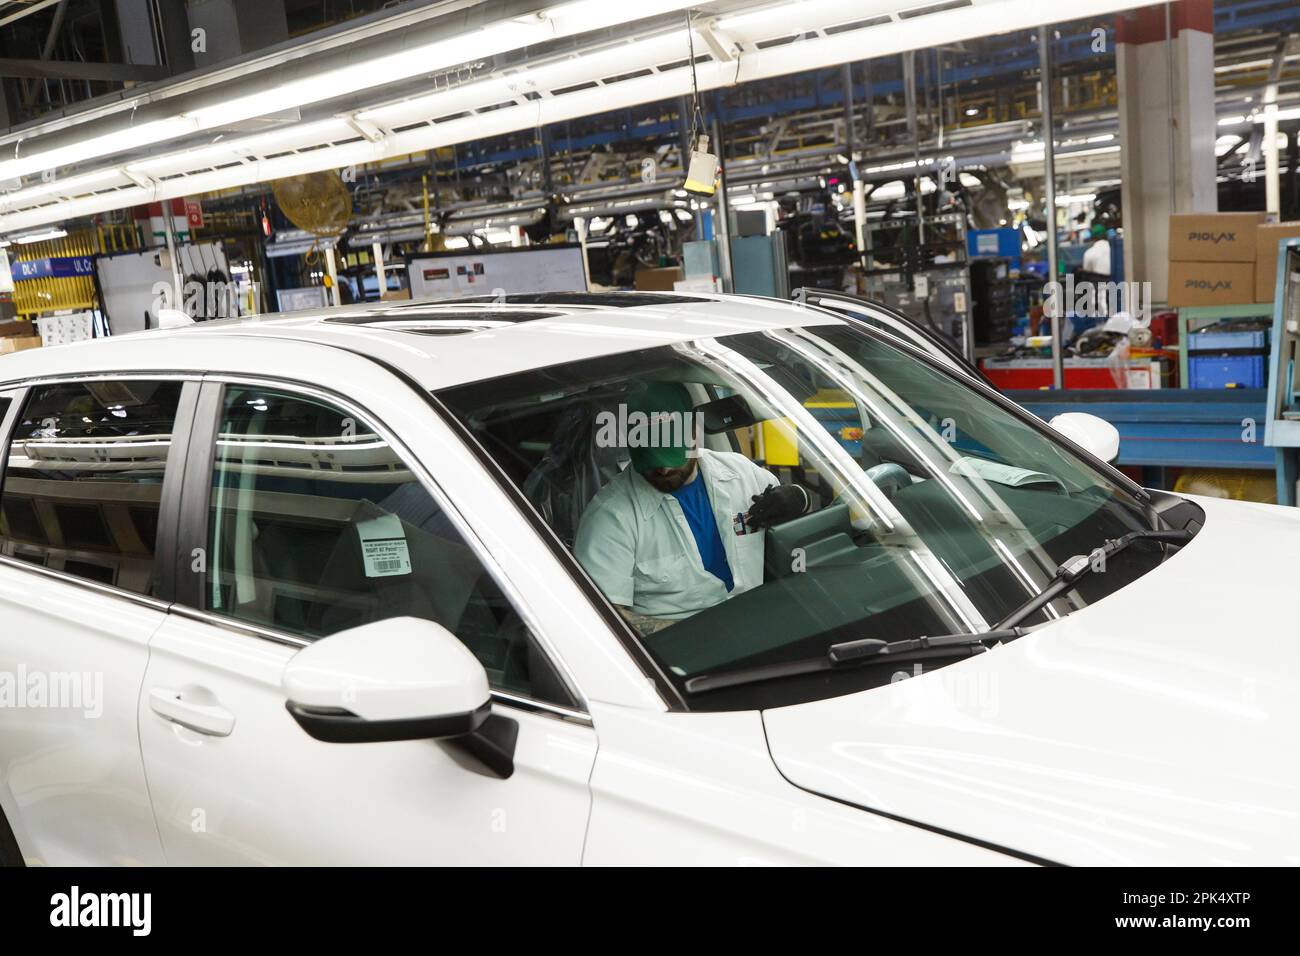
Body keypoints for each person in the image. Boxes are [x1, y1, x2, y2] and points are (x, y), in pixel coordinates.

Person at [574, 381, 810, 634]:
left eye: (670, 457)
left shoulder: (741, 473)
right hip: (676, 657)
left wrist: (799, 498)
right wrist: (697, 637)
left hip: (761, 628)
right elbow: (600, 617)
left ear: (694, 435)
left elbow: (795, 526)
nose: (663, 470)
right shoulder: (610, 516)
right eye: (651, 461)